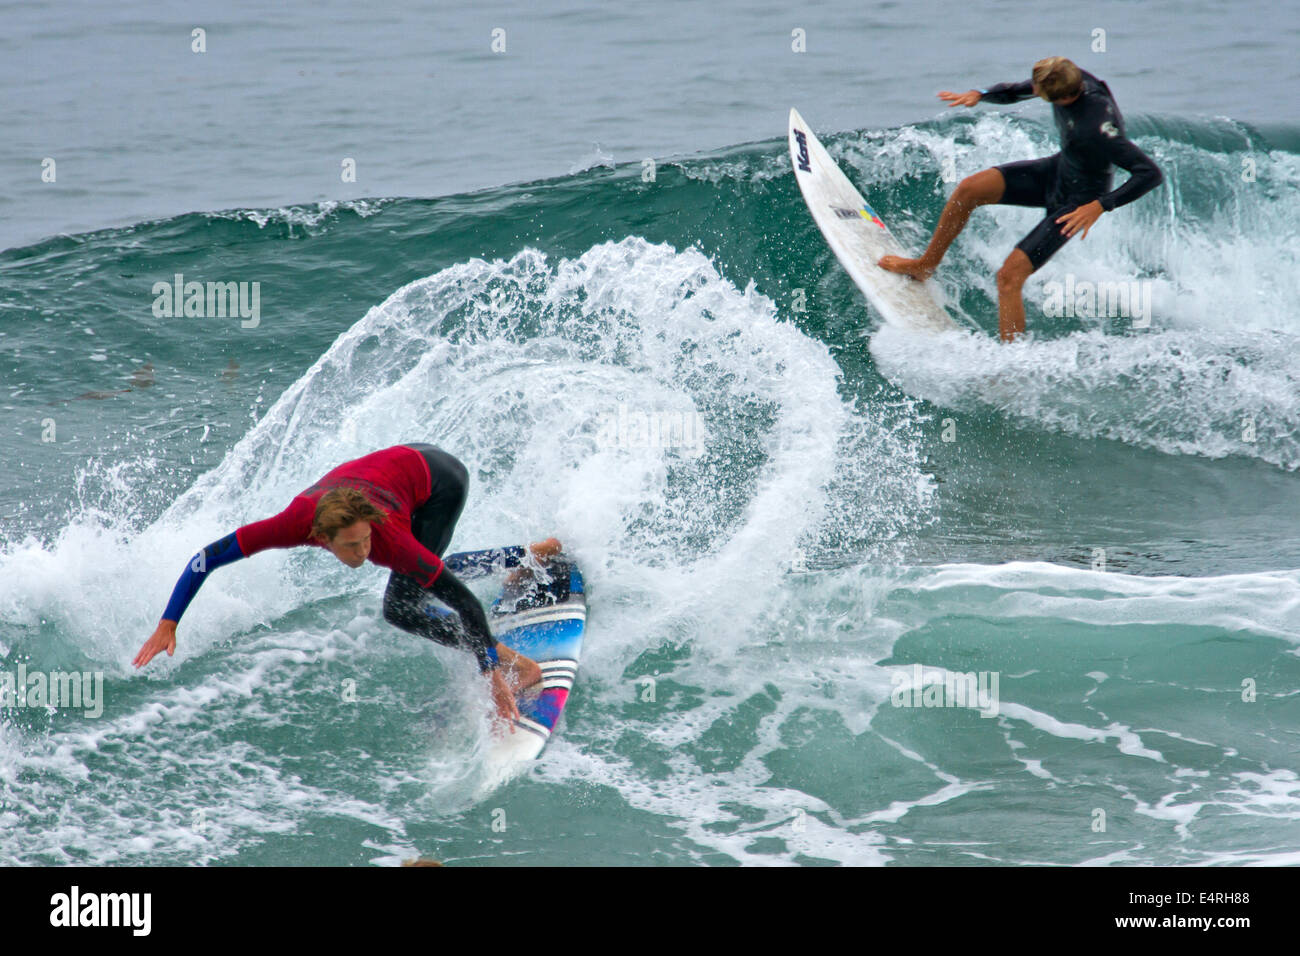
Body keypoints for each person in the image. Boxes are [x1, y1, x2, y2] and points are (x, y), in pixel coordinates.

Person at [132, 443, 562, 726]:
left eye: (366, 541)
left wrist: (491, 672)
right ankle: (528, 554)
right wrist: (169, 622)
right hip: (401, 468)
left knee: (402, 601)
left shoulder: (386, 538)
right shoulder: (290, 525)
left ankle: (519, 665)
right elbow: (206, 558)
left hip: (440, 482)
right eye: (352, 546)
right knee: (425, 573)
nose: (363, 552)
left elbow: (466, 603)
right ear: (322, 539)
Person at [878, 56, 1164, 341]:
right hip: (1058, 172)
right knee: (969, 189)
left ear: (1064, 97)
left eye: (1041, 94)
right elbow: (1019, 89)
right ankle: (925, 265)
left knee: (1008, 277)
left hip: (1077, 203)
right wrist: (982, 95)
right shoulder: (1070, 76)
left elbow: (1149, 174)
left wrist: (1100, 205)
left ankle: (1010, 367)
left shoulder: (1101, 129)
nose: (1034, 93)